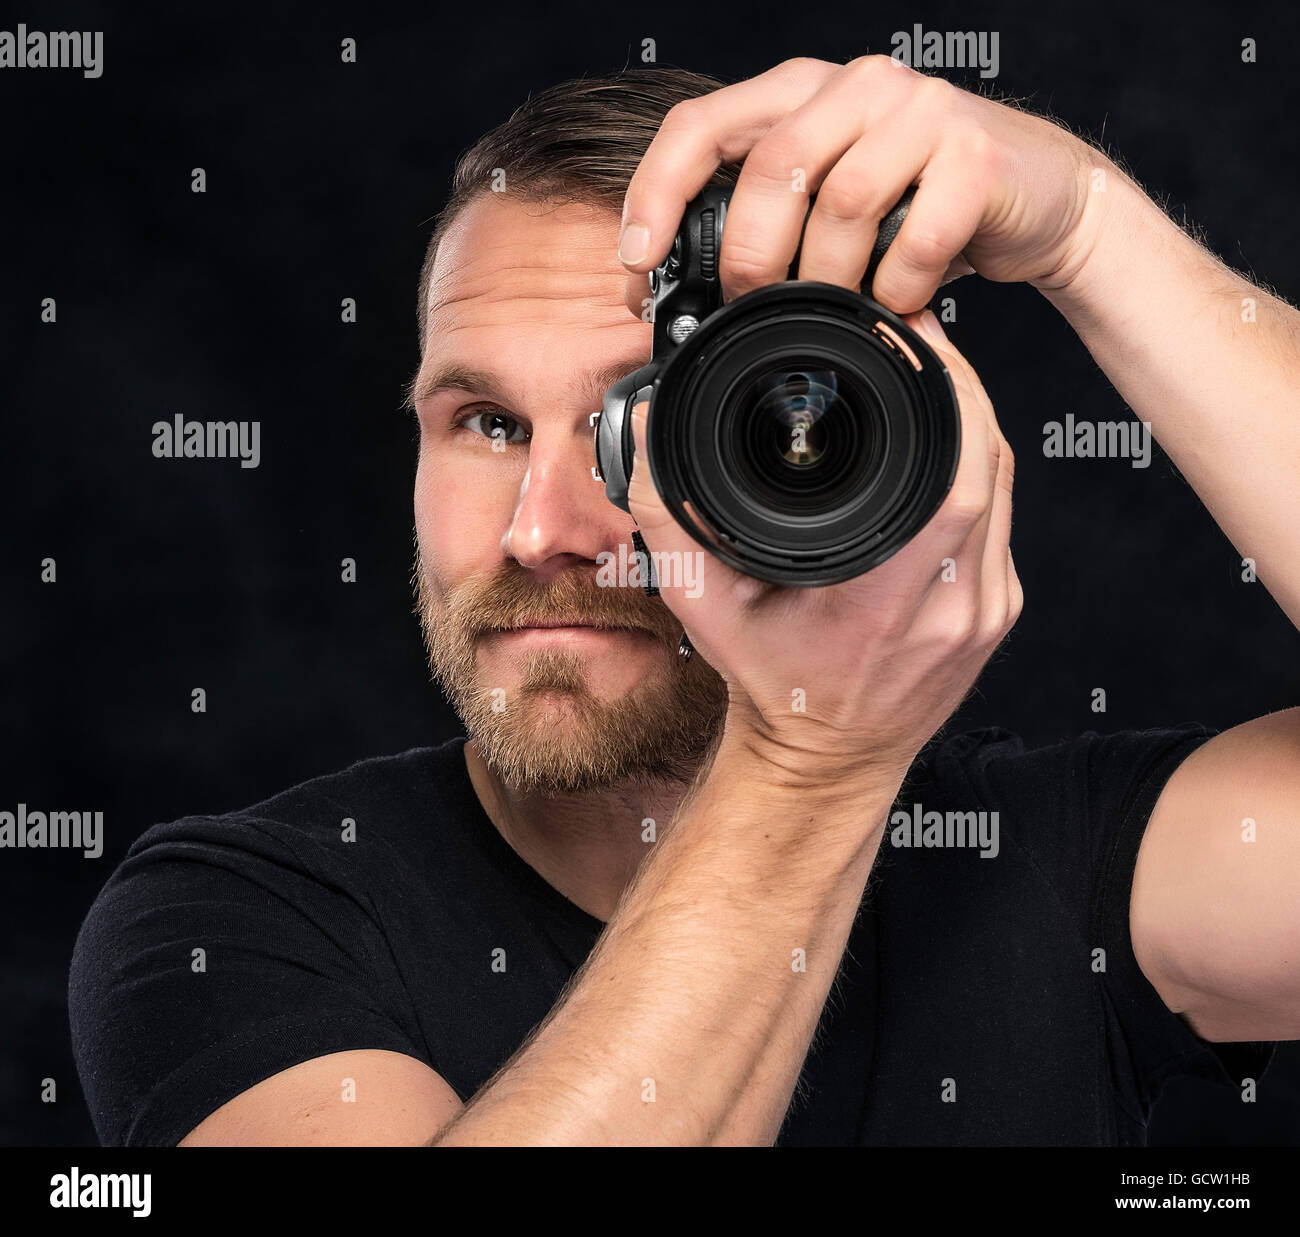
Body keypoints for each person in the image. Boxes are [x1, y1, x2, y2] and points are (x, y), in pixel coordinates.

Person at [70, 59, 1300, 1147]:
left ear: (842, 447)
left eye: (646, 420)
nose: (542, 530)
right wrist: (810, 763)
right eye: (486, 424)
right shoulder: (238, 918)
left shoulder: (1056, 867)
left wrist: (1088, 229)